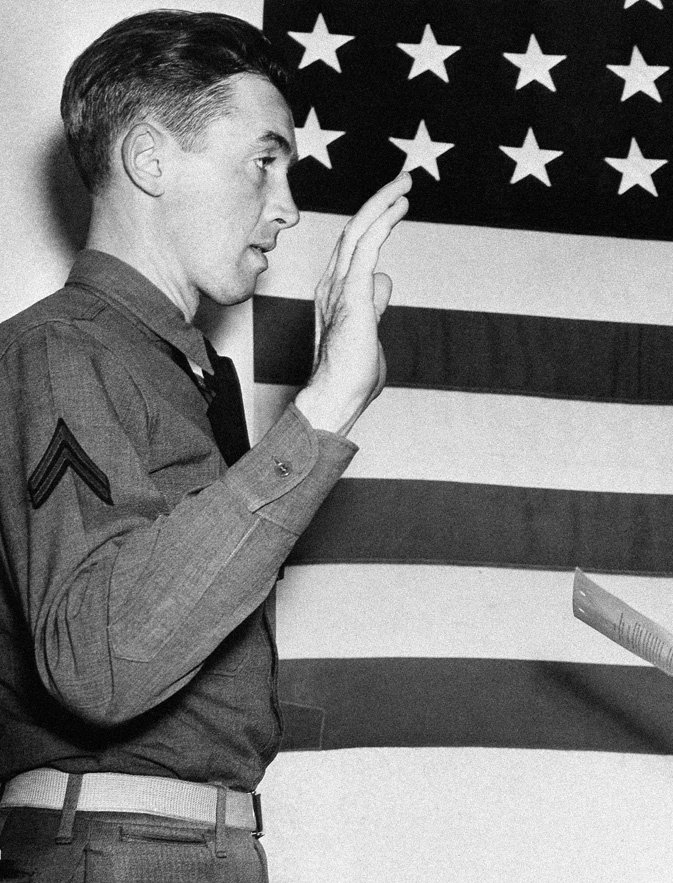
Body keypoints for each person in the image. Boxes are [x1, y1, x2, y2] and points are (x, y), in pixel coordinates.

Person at [0, 10, 410, 880]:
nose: (287, 207)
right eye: (264, 162)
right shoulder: (61, 349)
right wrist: (327, 405)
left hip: (194, 844)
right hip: (121, 846)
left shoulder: (185, 375)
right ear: (148, 158)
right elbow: (99, 663)